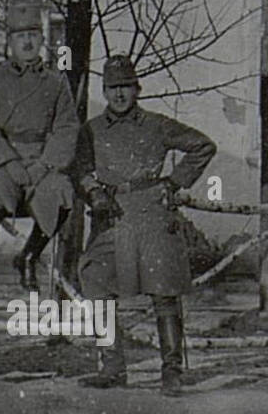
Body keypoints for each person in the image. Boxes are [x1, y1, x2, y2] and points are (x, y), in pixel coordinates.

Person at [74, 54, 216, 396]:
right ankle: (112, 368)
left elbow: (203, 146)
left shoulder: (156, 124)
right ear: (104, 91)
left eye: (125, 87)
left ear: (137, 89)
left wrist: (173, 182)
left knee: (164, 289)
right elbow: (79, 168)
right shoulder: (91, 130)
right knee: (94, 278)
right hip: (113, 214)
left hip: (152, 210)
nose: (119, 95)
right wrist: (94, 191)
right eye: (112, 88)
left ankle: (171, 372)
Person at [0, 2, 78, 287]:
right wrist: (8, 161)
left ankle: (29, 256)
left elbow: (66, 127)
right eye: (21, 36)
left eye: (33, 34)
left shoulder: (57, 82)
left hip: (42, 162)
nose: (28, 42)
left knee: (62, 194)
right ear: (10, 42)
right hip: (4, 161)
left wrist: (45, 164)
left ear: (42, 39)